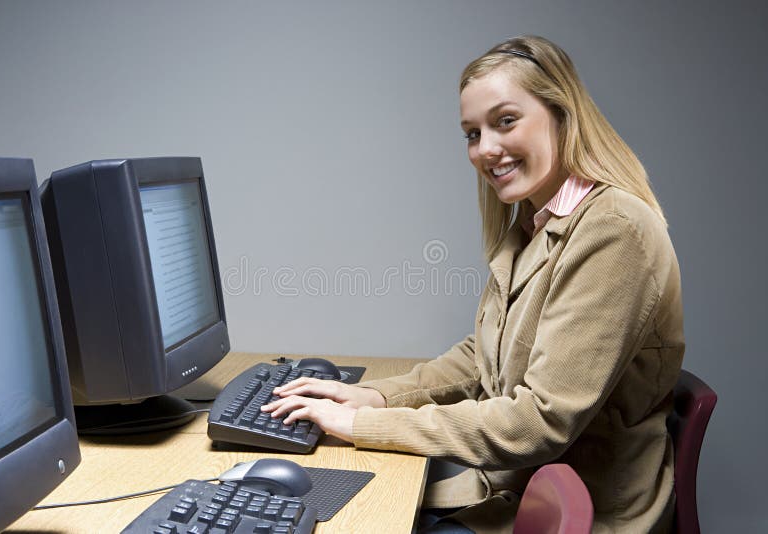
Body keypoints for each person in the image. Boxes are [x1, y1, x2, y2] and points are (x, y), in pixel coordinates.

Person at [262, 35, 684, 533]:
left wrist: (362, 427)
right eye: (471, 133)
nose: (486, 150)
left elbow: (541, 421)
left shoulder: (613, 231)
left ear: (562, 113)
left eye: (505, 121)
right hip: (514, 489)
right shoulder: (533, 224)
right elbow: (482, 355)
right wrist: (375, 397)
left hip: (580, 513)